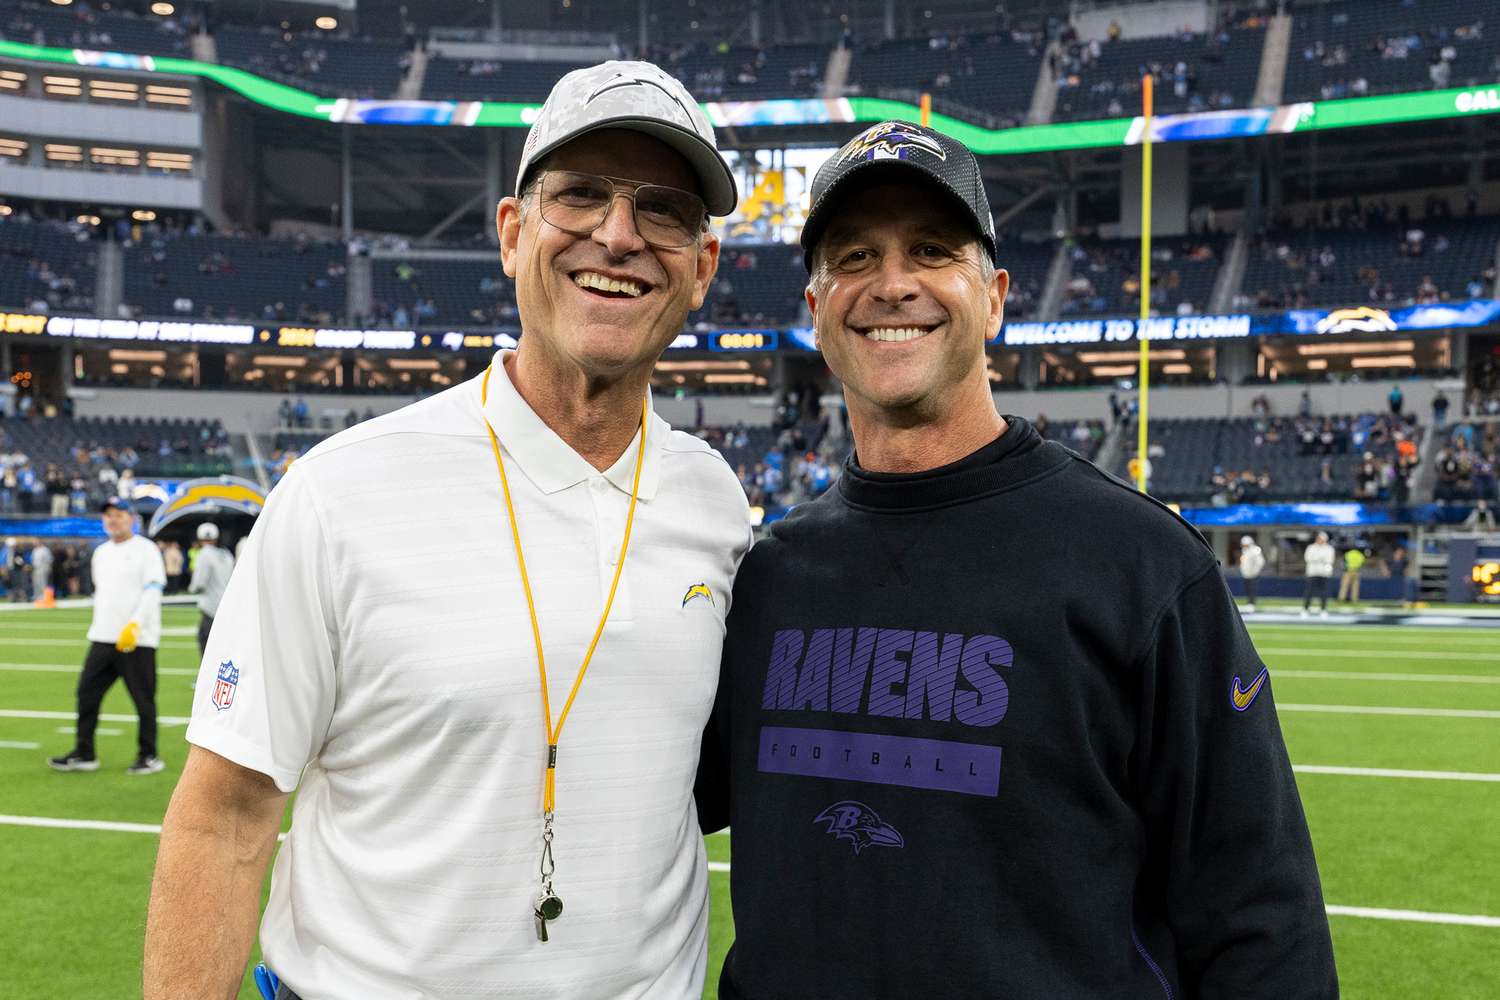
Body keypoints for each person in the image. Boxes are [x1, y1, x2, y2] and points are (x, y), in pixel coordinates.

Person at [146, 60, 750, 1000]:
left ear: (703, 266)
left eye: (664, 209)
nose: (618, 234)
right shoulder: (340, 492)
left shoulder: (715, 503)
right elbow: (225, 821)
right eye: (581, 195)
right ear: (513, 235)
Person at [696, 120, 1336, 1000]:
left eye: (930, 249)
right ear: (815, 312)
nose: (892, 284)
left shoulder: (1142, 565)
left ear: (993, 296)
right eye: (853, 257)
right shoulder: (764, 577)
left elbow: (1261, 919)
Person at [47, 497, 166, 775]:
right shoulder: (100, 552)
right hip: (103, 636)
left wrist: (136, 623)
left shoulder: (146, 550)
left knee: (143, 699)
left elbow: (153, 589)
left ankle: (149, 754)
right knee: (86, 694)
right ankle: (85, 752)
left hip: (137, 640)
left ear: (131, 518)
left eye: (119, 514)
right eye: (108, 515)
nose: (113, 519)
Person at [186, 522, 234, 657]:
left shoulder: (204, 554)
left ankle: (206, 677)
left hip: (210, 607)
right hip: (226, 605)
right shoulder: (226, 554)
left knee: (206, 646)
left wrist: (192, 588)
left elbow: (199, 582)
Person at [1303, 530, 1335, 617]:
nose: (1320, 540)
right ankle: (1305, 609)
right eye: (1319, 538)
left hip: (1324, 573)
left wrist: (1318, 559)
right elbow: (1307, 558)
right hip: (1312, 572)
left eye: (1322, 539)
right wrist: (1320, 559)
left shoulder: (1329, 549)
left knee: (1324, 593)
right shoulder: (1311, 547)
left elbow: (1329, 560)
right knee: (1309, 592)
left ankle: (1323, 610)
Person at [1238, 533, 1265, 612]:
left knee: (1252, 589)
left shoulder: (1255, 550)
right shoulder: (1245, 551)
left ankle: (1252, 604)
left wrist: (1255, 571)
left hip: (1253, 574)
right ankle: (1249, 603)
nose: (1244, 546)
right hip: (1246, 574)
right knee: (1248, 589)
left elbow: (1260, 562)